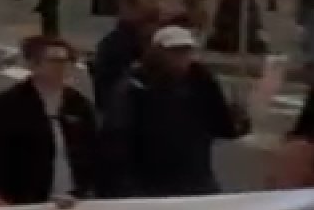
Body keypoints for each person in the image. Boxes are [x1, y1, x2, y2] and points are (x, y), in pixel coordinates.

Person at [103, 24, 246, 197]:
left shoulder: (201, 82)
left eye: (186, 51)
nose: (181, 58)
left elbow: (224, 128)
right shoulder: (134, 88)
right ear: (157, 52)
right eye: (174, 51)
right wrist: (126, 189)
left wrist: (240, 116)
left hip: (197, 183)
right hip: (151, 186)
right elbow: (118, 141)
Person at [0, 36, 103, 205]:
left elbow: (94, 150)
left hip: (75, 198)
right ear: (33, 64)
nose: (61, 67)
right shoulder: (9, 105)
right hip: (27, 200)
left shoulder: (79, 105)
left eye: (66, 61)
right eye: (54, 61)